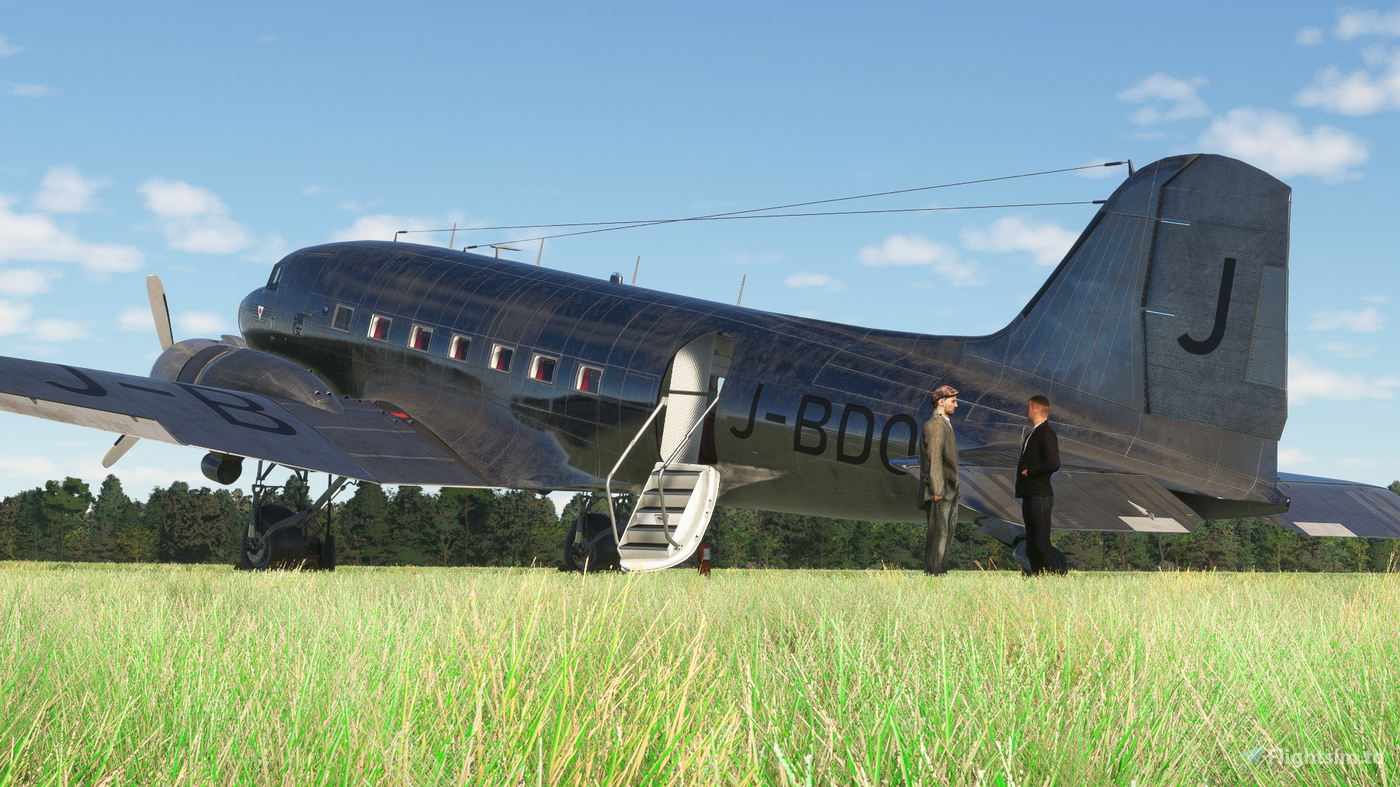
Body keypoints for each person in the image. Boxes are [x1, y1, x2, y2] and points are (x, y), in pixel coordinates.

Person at [1016, 395, 1062, 575]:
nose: (1026, 412)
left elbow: (1054, 463)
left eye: (1028, 408)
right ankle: (1037, 575)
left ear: (1035, 409)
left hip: (1040, 495)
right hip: (1030, 494)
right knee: (1032, 540)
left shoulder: (1046, 433)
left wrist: (1031, 471)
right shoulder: (1033, 434)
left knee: (1041, 540)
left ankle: (1048, 577)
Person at [919, 385, 960, 575]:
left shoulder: (944, 424)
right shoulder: (935, 426)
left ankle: (939, 573)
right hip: (940, 491)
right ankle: (934, 575)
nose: (956, 405)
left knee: (946, 535)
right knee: (939, 536)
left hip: (949, 490)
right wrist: (937, 491)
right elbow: (934, 458)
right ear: (941, 402)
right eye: (953, 401)